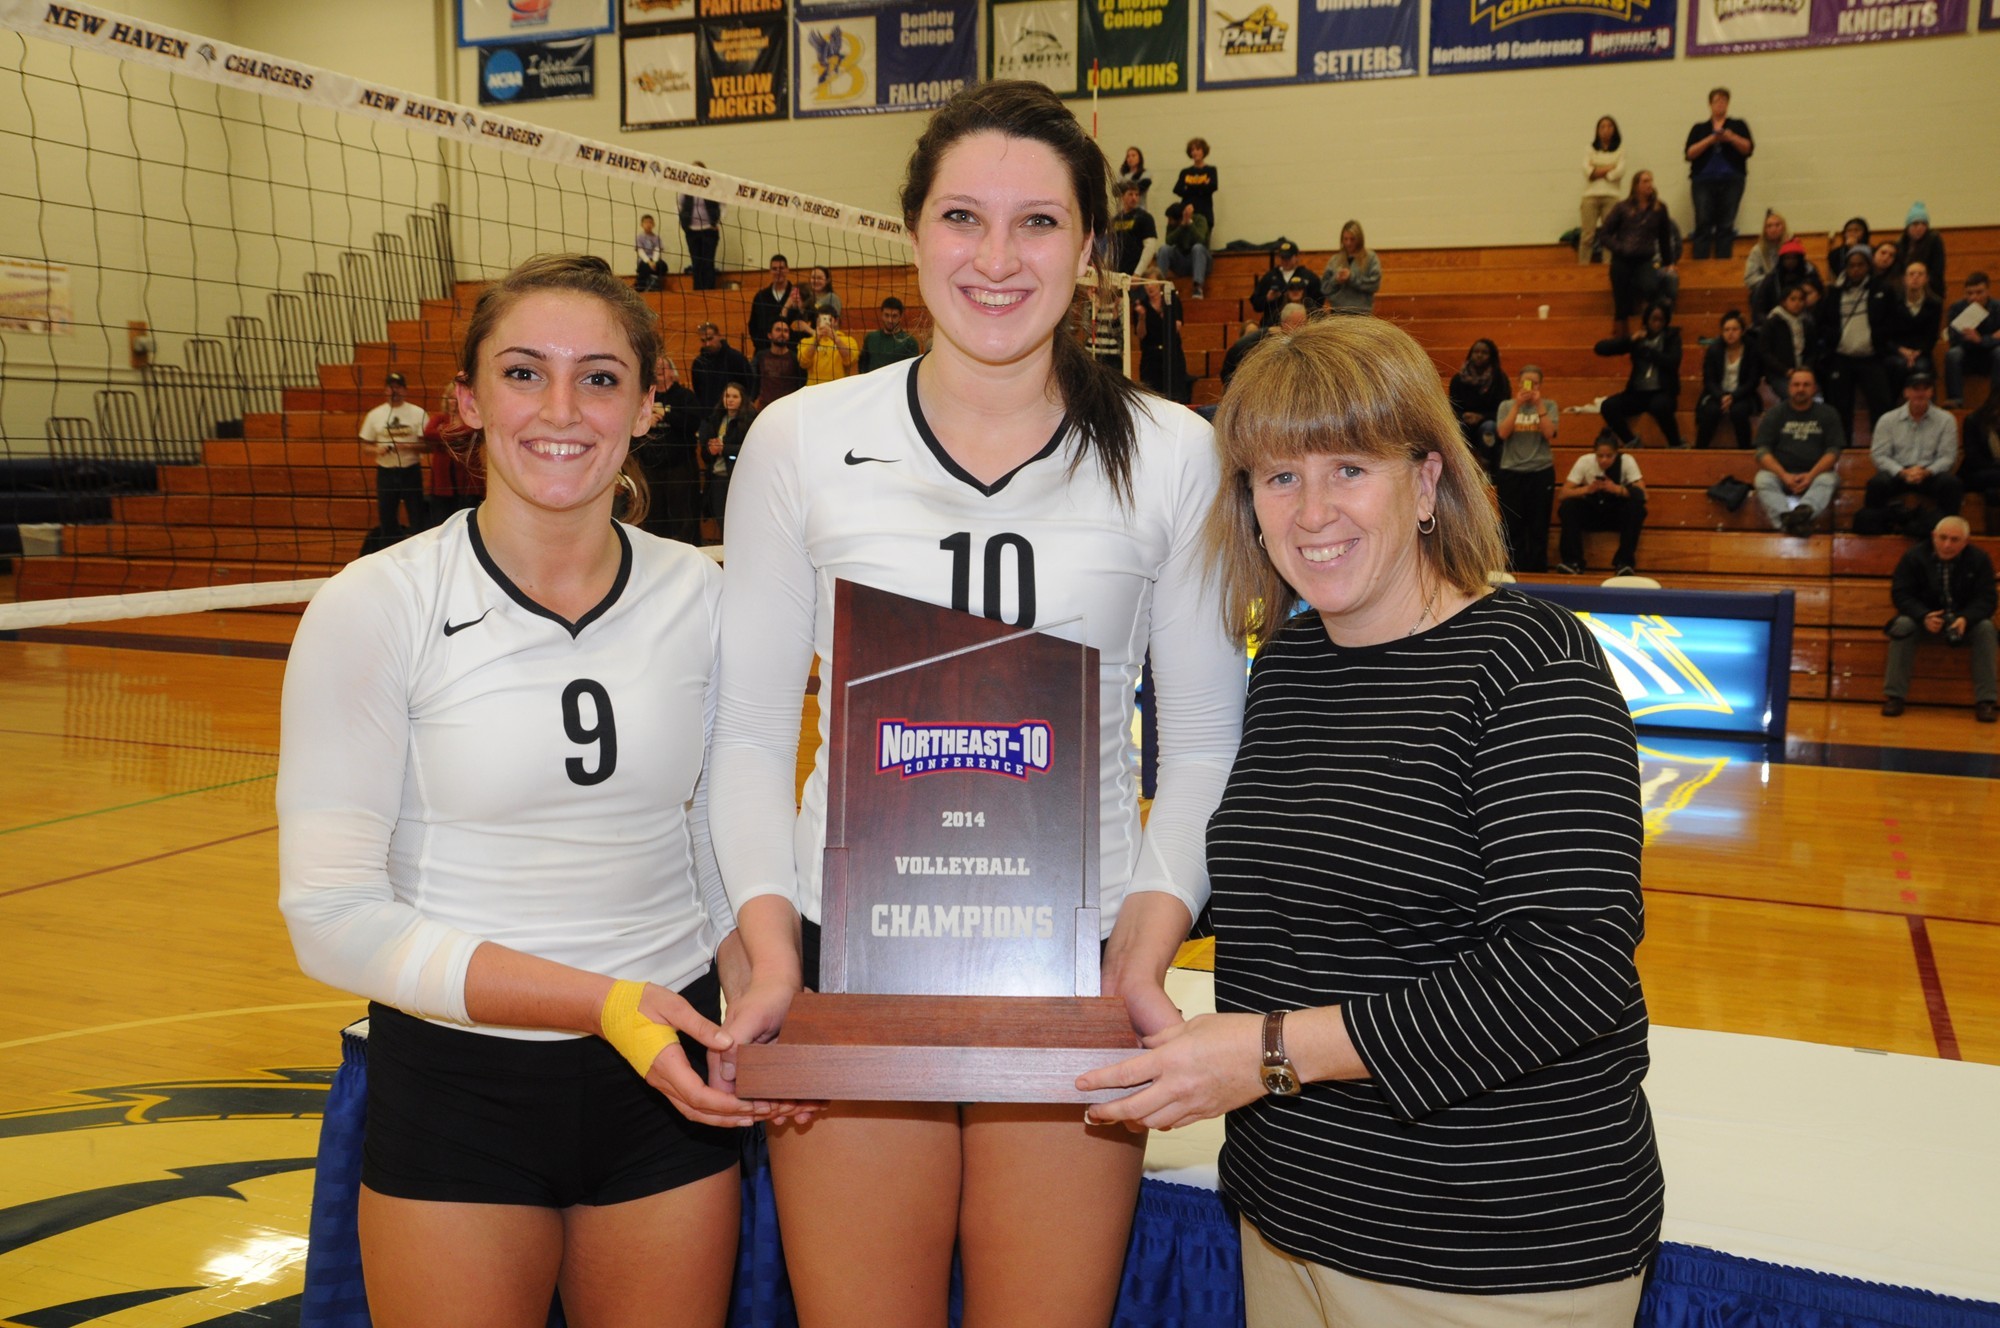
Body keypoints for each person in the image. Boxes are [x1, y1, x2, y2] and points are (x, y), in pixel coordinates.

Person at [707, 79, 1246, 1328]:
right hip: (847, 957)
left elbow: (1210, 739)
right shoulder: (798, 438)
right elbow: (740, 730)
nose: (995, 258)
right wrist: (772, 945)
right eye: (962, 217)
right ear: (910, 235)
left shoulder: (1170, 450)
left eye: (1037, 223)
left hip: (1079, 965)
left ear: (1092, 250)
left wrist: (1143, 945)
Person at [1080, 315, 1662, 1326]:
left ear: (1427, 481)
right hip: (1289, 1219)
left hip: (1486, 1251)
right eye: (1276, 478)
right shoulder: (1294, 668)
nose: (1311, 513)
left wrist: (1264, 1051)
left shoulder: (1530, 660)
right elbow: (1310, 893)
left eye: (1347, 468)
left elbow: (1565, 967)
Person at [278, 253, 757, 1328]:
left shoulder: (703, 594)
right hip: (458, 1087)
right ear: (465, 404)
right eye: (522, 372)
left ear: (646, 402)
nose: (560, 408)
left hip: (668, 1081)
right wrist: (599, 1001)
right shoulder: (377, 604)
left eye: (597, 377)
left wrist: (754, 996)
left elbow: (716, 839)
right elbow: (331, 921)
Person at [1881, 517, 1997, 722]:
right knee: (1902, 626)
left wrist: (1966, 619)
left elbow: (1987, 599)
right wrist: (1922, 615)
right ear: (1934, 536)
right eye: (1943, 538)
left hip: (1963, 621)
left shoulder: (1979, 559)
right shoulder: (1913, 557)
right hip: (1923, 618)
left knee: (1987, 629)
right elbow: (1901, 594)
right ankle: (1894, 696)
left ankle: (1986, 701)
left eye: (1954, 540)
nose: (1947, 545)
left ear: (1965, 542)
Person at [1864, 365, 1961, 526]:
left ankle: (1946, 529)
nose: (1920, 393)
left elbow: (1948, 456)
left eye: (1926, 388)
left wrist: (1927, 471)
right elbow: (1879, 455)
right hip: (1898, 472)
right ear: (1906, 392)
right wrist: (1902, 472)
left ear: (1931, 392)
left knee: (1951, 484)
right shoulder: (1888, 420)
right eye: (1915, 388)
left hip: (1929, 473)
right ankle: (1877, 532)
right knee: (1877, 484)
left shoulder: (1946, 419)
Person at [1754, 366, 1843, 536]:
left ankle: (1801, 513)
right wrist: (1784, 476)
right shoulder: (1774, 414)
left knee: (1829, 479)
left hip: (1816, 473)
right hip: (1781, 474)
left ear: (1814, 388)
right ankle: (1789, 520)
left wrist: (1810, 476)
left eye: (1806, 385)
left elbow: (1834, 451)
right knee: (1762, 479)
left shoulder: (1828, 414)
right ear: (1789, 388)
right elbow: (1762, 451)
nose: (1800, 389)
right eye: (1796, 385)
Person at [1817, 245, 1893, 443]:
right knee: (1839, 407)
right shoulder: (1834, 293)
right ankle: (1842, 449)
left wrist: (1880, 339)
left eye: (1860, 265)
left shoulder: (1882, 289)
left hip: (1871, 357)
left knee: (1881, 405)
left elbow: (1891, 320)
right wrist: (1834, 337)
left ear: (1868, 266)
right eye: (1851, 265)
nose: (1856, 270)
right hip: (1842, 357)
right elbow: (1823, 322)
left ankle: (1881, 446)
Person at [1493, 364, 1558, 571]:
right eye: (1525, 382)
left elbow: (1549, 433)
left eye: (1534, 383)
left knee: (1538, 526)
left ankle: (1539, 570)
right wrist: (1517, 406)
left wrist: (1539, 406)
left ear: (1540, 385)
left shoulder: (1549, 405)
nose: (1529, 387)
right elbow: (1502, 433)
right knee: (1512, 526)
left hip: (1540, 471)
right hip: (1511, 471)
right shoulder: (1506, 406)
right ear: (1518, 384)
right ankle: (1515, 570)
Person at [1555, 430, 1648, 575]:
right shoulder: (1585, 461)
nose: (1604, 460)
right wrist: (1587, 489)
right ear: (1594, 454)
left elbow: (1643, 495)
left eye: (1609, 456)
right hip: (1592, 511)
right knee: (1568, 507)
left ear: (1616, 454)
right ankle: (1573, 562)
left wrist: (1617, 489)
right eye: (1600, 456)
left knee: (1637, 508)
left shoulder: (1627, 461)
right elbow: (1563, 494)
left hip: (1616, 513)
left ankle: (1624, 563)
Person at [1595, 301, 1684, 449]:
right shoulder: (1638, 338)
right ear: (1646, 320)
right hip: (1638, 393)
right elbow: (1600, 349)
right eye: (1653, 319)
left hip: (1662, 392)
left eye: (1660, 319)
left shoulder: (1672, 337)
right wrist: (1630, 340)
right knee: (1608, 406)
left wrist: (1649, 352)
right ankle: (1631, 441)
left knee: (1660, 406)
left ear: (1666, 321)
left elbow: (1673, 361)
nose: (1657, 323)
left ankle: (1675, 443)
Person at [1599, 171, 1675, 337]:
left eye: (1651, 181)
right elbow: (1604, 234)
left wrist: (1669, 262)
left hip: (1644, 259)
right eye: (1645, 181)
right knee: (1621, 299)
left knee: (1651, 288)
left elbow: (1664, 237)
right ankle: (1621, 336)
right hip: (1622, 260)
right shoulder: (1622, 207)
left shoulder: (1659, 209)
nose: (1649, 184)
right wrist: (1620, 248)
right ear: (1636, 185)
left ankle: (1648, 330)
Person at [639, 353, 705, 545]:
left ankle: (688, 552)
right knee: (654, 514)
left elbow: (694, 422)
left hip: (680, 466)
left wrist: (666, 414)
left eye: (664, 367)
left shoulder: (684, 396)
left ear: (673, 373)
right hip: (651, 465)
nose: (659, 370)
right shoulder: (645, 398)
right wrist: (646, 421)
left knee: (682, 514)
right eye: (656, 367)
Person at [1684, 86, 1753, 260]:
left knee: (1726, 224)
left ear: (1728, 104)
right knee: (1702, 222)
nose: (1720, 104)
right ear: (1710, 104)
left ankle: (1723, 265)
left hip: (1732, 180)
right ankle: (1700, 267)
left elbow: (1748, 149)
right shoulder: (1699, 128)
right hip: (1703, 181)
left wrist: (1731, 138)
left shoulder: (1738, 125)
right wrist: (1710, 139)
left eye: (1724, 100)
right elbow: (1689, 153)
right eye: (1717, 101)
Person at [360, 371, 430, 540]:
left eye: (398, 387)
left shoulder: (418, 413)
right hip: (386, 471)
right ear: (385, 391)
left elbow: (428, 446)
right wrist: (377, 450)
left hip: (410, 470)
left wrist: (408, 446)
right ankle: (388, 552)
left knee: (416, 515)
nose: (394, 391)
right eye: (390, 388)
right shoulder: (374, 415)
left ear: (405, 390)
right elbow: (364, 446)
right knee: (387, 516)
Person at [1696, 310, 1762, 450]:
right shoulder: (1714, 350)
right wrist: (1722, 396)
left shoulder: (1752, 349)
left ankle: (1744, 451)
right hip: (1718, 394)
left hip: (1743, 394)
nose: (1730, 333)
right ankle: (1699, 450)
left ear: (1742, 331)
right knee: (1711, 411)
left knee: (1739, 411)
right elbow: (1709, 380)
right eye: (1726, 330)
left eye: (1734, 329)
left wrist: (1733, 396)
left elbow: (1753, 381)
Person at [699, 381, 755, 543]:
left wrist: (725, 449)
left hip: (737, 480)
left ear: (742, 399)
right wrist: (710, 450)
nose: (730, 400)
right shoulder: (716, 419)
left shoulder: (749, 421)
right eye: (727, 396)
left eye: (735, 396)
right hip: (717, 479)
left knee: (739, 524)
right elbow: (705, 454)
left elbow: (749, 450)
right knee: (722, 523)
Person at [1881, 260, 1943, 395]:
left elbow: (1931, 336)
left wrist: (1916, 353)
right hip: (1896, 352)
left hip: (1921, 352)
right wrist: (1902, 351)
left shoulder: (1934, 304)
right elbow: (1886, 335)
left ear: (1926, 279)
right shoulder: (1892, 302)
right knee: (1897, 366)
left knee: (1922, 367)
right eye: (1911, 274)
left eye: (1920, 274)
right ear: (1905, 279)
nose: (1915, 277)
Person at [1446, 337, 1508, 466]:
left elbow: (1503, 408)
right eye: (1476, 352)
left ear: (1491, 357)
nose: (1479, 355)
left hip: (1490, 422)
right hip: (1464, 420)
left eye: (1484, 353)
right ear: (1471, 354)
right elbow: (1452, 406)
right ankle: (1460, 467)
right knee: (1455, 427)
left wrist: (1481, 417)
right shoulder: (1458, 379)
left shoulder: (1499, 380)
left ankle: (1487, 467)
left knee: (1488, 427)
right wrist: (1463, 415)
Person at [424, 383, 483, 518]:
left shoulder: (472, 418)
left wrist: (442, 432)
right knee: (442, 519)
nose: (454, 402)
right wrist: (457, 435)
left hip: (469, 479)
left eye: (457, 398)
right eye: (451, 398)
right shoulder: (439, 417)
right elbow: (428, 433)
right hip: (443, 480)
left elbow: (472, 432)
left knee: (469, 518)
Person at [1944, 270, 1999, 407]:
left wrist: (1980, 340)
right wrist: (1990, 338)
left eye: (1979, 292)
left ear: (1988, 291)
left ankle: (1996, 400)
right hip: (1966, 354)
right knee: (1952, 354)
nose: (1974, 297)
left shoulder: (1998, 308)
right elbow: (1954, 339)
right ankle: (1956, 400)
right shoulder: (1957, 308)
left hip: (1990, 356)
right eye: (1969, 293)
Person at [1134, 279, 1191, 404]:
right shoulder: (1141, 305)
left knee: (1175, 394)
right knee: (1151, 396)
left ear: (1159, 284)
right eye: (1146, 284)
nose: (1149, 287)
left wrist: (1167, 316)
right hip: (1151, 356)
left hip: (1171, 353)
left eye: (1152, 283)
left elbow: (1177, 327)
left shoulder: (1171, 300)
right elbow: (1140, 334)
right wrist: (1142, 318)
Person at [1760, 282, 1821, 399]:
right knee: (1793, 395)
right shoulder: (1773, 322)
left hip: (1804, 372)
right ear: (1784, 302)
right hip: (1780, 374)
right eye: (1792, 299)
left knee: (1815, 397)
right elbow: (1765, 352)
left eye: (1801, 299)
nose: (1797, 303)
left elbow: (1812, 351)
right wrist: (1785, 370)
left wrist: (1806, 368)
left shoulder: (1807, 323)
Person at [1579, 116, 1625, 264]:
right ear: (1597, 131)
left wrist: (1598, 168)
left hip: (1611, 196)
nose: (1606, 130)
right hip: (1590, 197)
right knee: (1587, 235)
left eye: (1609, 126)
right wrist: (1609, 167)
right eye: (1602, 127)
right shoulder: (1589, 149)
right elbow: (1588, 172)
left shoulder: (1621, 150)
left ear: (1615, 129)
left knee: (1609, 235)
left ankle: (1608, 267)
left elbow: (1618, 173)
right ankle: (1583, 267)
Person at [1749, 237, 1821, 325]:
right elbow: (1758, 311)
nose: (1791, 262)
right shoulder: (1771, 279)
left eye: (1794, 258)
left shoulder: (1810, 277)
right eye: (1787, 258)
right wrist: (1771, 323)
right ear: (1781, 260)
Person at [690, 322, 754, 414]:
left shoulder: (736, 358)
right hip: (710, 415)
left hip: (736, 413)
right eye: (703, 341)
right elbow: (698, 392)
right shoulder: (698, 363)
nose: (707, 344)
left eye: (710, 339)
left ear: (719, 336)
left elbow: (749, 383)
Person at [1250, 241, 1318, 327]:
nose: (1285, 261)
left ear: (1296, 256)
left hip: (1304, 323)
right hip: (1274, 324)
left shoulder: (1309, 277)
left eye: (1288, 258)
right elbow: (1256, 304)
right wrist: (1267, 298)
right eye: (1282, 258)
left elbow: (1318, 303)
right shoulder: (1269, 277)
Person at [748, 254, 807, 353]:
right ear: (770, 271)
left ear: (788, 270)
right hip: (765, 352)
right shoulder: (761, 297)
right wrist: (761, 347)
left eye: (781, 268)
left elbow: (804, 324)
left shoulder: (798, 294)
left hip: (792, 353)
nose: (778, 272)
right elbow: (753, 326)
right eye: (774, 269)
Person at [1319, 221, 1380, 316]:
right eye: (1345, 239)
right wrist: (1336, 279)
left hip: (1362, 313)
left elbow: (1374, 285)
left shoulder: (1370, 258)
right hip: (1338, 312)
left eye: (1352, 239)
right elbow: (1325, 288)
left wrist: (1351, 278)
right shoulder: (1334, 260)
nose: (1348, 243)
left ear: (1359, 239)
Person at [1156, 199, 1212, 299]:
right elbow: (1168, 241)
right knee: (1164, 249)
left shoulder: (1200, 219)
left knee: (1197, 248)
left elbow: (1201, 240)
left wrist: (1189, 224)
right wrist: (1182, 226)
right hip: (1181, 261)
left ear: (1179, 218)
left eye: (1170, 219)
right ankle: (1158, 286)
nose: (1169, 222)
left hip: (1199, 261)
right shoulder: (1173, 225)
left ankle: (1197, 287)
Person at [677, 176, 723, 292]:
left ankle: (709, 290)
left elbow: (722, 205)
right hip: (692, 231)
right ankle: (698, 290)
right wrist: (683, 224)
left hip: (709, 230)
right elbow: (679, 206)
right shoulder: (685, 189)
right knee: (696, 263)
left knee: (708, 261)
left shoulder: (712, 189)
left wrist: (717, 222)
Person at [796, 304, 859, 385]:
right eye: (821, 320)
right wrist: (816, 341)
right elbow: (803, 363)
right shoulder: (806, 341)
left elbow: (850, 361)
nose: (824, 323)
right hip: (814, 389)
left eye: (828, 319)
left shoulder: (848, 340)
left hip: (838, 388)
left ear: (836, 321)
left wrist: (836, 339)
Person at [753, 318, 808, 408]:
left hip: (787, 407)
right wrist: (753, 399)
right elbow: (756, 380)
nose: (782, 334)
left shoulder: (795, 358)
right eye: (778, 330)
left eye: (785, 331)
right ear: (769, 335)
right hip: (765, 407)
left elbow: (801, 383)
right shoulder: (761, 356)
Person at [859, 296, 921, 373]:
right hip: (874, 383)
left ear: (900, 317)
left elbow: (911, 371)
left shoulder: (910, 342)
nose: (890, 320)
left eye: (894, 316)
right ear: (881, 315)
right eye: (886, 315)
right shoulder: (871, 338)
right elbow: (862, 367)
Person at [1897, 203, 1946, 299]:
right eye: (1915, 224)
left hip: (1930, 291)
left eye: (1923, 224)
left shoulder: (1934, 241)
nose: (1919, 228)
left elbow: (1937, 270)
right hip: (1905, 291)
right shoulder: (1901, 243)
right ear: (1908, 227)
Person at [1111, 181, 1157, 277]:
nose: (1134, 198)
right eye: (1130, 194)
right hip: (1118, 273)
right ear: (1122, 196)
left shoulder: (1145, 218)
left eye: (1137, 195)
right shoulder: (1115, 220)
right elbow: (1111, 248)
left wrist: (1138, 273)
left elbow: (1150, 247)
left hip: (1135, 273)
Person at [1172, 136, 1219, 232]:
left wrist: (1188, 187)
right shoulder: (1185, 172)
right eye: (1192, 150)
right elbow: (1177, 189)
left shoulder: (1210, 170)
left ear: (1203, 151)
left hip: (1204, 211)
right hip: (1187, 210)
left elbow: (1213, 187)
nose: (1195, 152)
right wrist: (1202, 186)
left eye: (1198, 149)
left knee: (1201, 243)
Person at [1743, 209, 1788, 293]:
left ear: (1783, 227)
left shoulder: (1791, 246)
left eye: (1777, 225)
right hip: (1766, 292)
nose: (1773, 229)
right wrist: (1771, 279)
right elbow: (1750, 278)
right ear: (1765, 230)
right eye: (1769, 226)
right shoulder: (1757, 251)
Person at [634, 214, 668, 293]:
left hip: (654, 259)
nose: (648, 224)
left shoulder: (656, 238)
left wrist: (654, 261)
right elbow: (640, 251)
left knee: (663, 265)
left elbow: (657, 250)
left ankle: (656, 283)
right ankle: (642, 285)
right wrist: (649, 262)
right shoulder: (639, 237)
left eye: (650, 222)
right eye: (646, 222)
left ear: (653, 224)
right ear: (641, 225)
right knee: (644, 267)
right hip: (644, 260)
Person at [1114, 145, 1151, 210]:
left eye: (1133, 155)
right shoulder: (1122, 174)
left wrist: (1123, 186)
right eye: (1128, 156)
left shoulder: (1145, 173)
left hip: (1139, 210)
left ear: (1139, 158)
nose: (1130, 158)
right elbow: (1115, 191)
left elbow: (1140, 188)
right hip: (1123, 211)